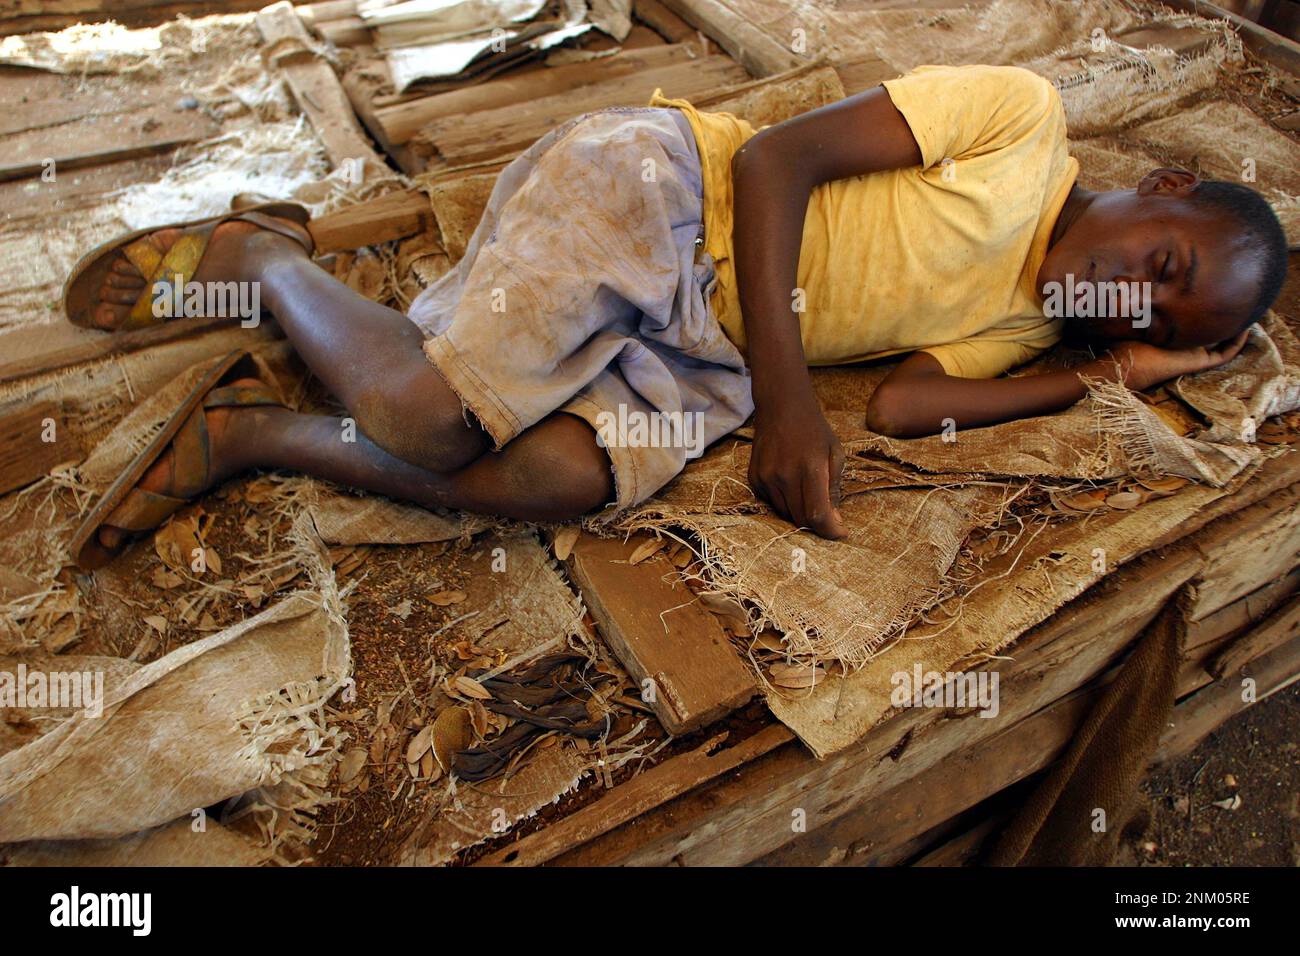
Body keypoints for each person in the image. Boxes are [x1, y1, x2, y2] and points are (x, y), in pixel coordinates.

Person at [62, 64, 1287, 567]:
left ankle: (256, 432)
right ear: (1159, 185)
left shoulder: (1031, 331)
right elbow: (775, 166)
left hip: (712, 355)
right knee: (427, 417)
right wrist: (796, 406)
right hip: (662, 198)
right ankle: (264, 254)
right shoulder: (1019, 121)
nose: (1134, 294)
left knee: (561, 477)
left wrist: (1108, 376)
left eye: (1163, 314)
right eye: (1162, 258)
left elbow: (914, 401)